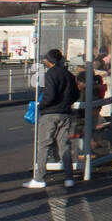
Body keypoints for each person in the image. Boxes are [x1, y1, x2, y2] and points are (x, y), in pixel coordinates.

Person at [31, 49, 79, 189]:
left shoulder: (50, 74)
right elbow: (75, 94)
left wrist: (42, 106)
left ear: (49, 60)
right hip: (65, 113)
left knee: (43, 145)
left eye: (45, 59)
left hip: (50, 114)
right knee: (64, 145)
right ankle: (69, 178)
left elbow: (50, 95)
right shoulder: (69, 75)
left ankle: (39, 178)